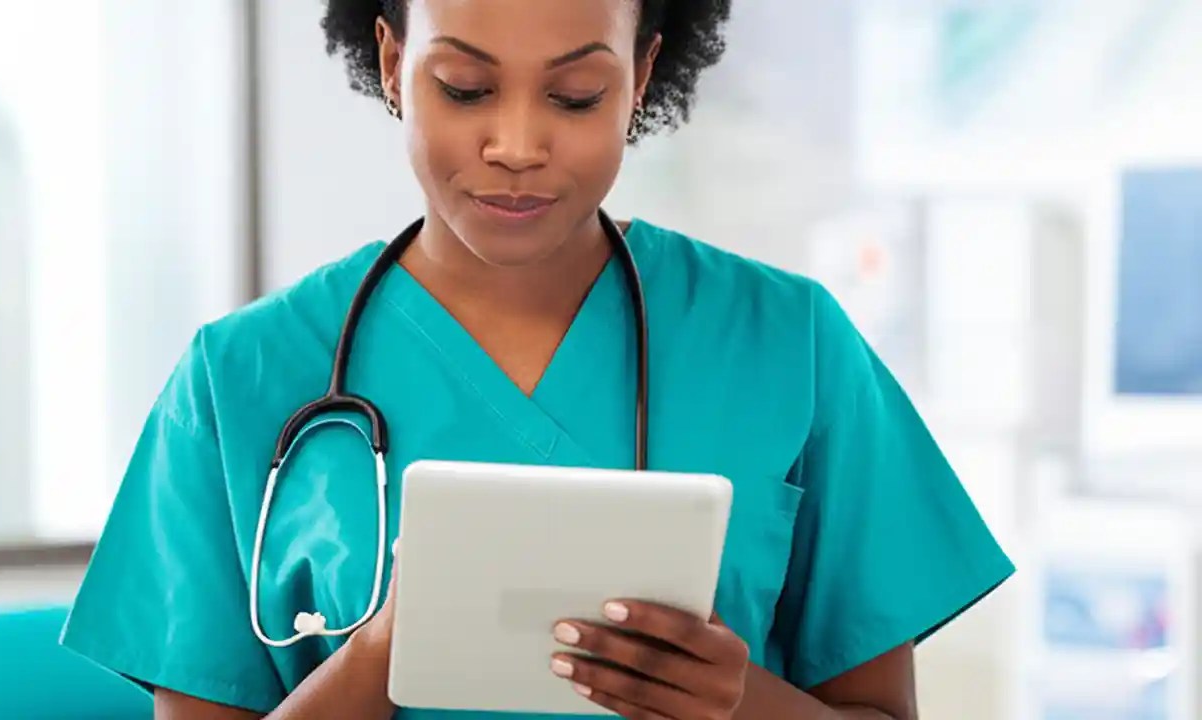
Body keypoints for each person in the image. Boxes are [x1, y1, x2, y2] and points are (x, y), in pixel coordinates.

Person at [60, 1, 1016, 718]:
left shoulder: (790, 343)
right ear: (394, 62)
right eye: (465, 88)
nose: (517, 145)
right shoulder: (238, 379)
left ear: (642, 76)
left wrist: (741, 702)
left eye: (575, 95)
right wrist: (379, 657)